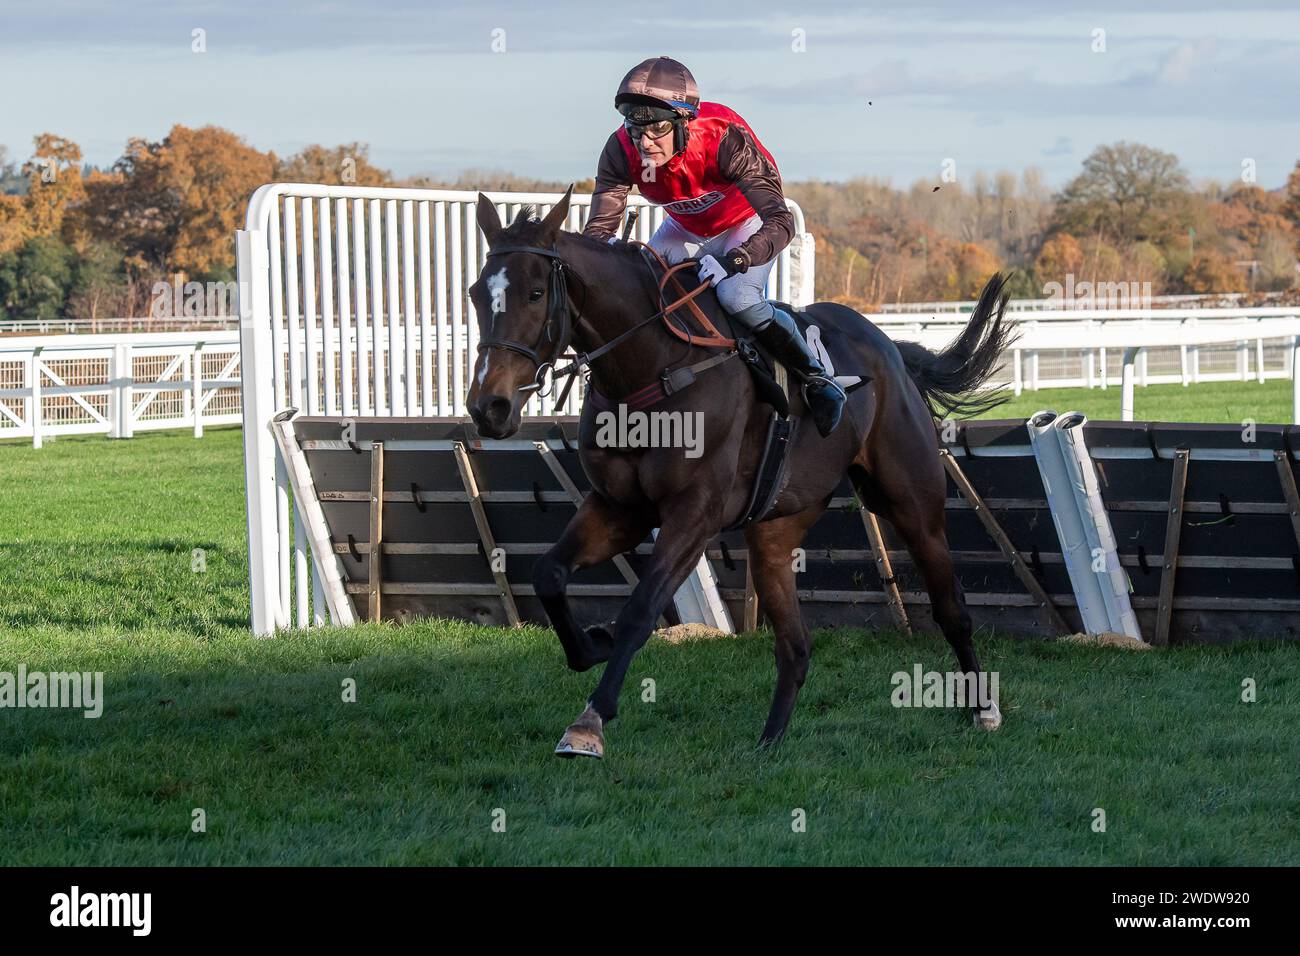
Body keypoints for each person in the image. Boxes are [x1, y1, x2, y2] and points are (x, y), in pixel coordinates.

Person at [582, 56, 846, 437]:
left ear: (684, 123)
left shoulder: (723, 138)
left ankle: (816, 378)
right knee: (641, 286)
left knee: (737, 296)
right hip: (684, 225)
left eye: (656, 130)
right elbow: (601, 228)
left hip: (746, 223)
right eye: (635, 130)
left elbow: (780, 222)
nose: (645, 142)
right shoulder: (620, 148)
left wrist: (737, 258)